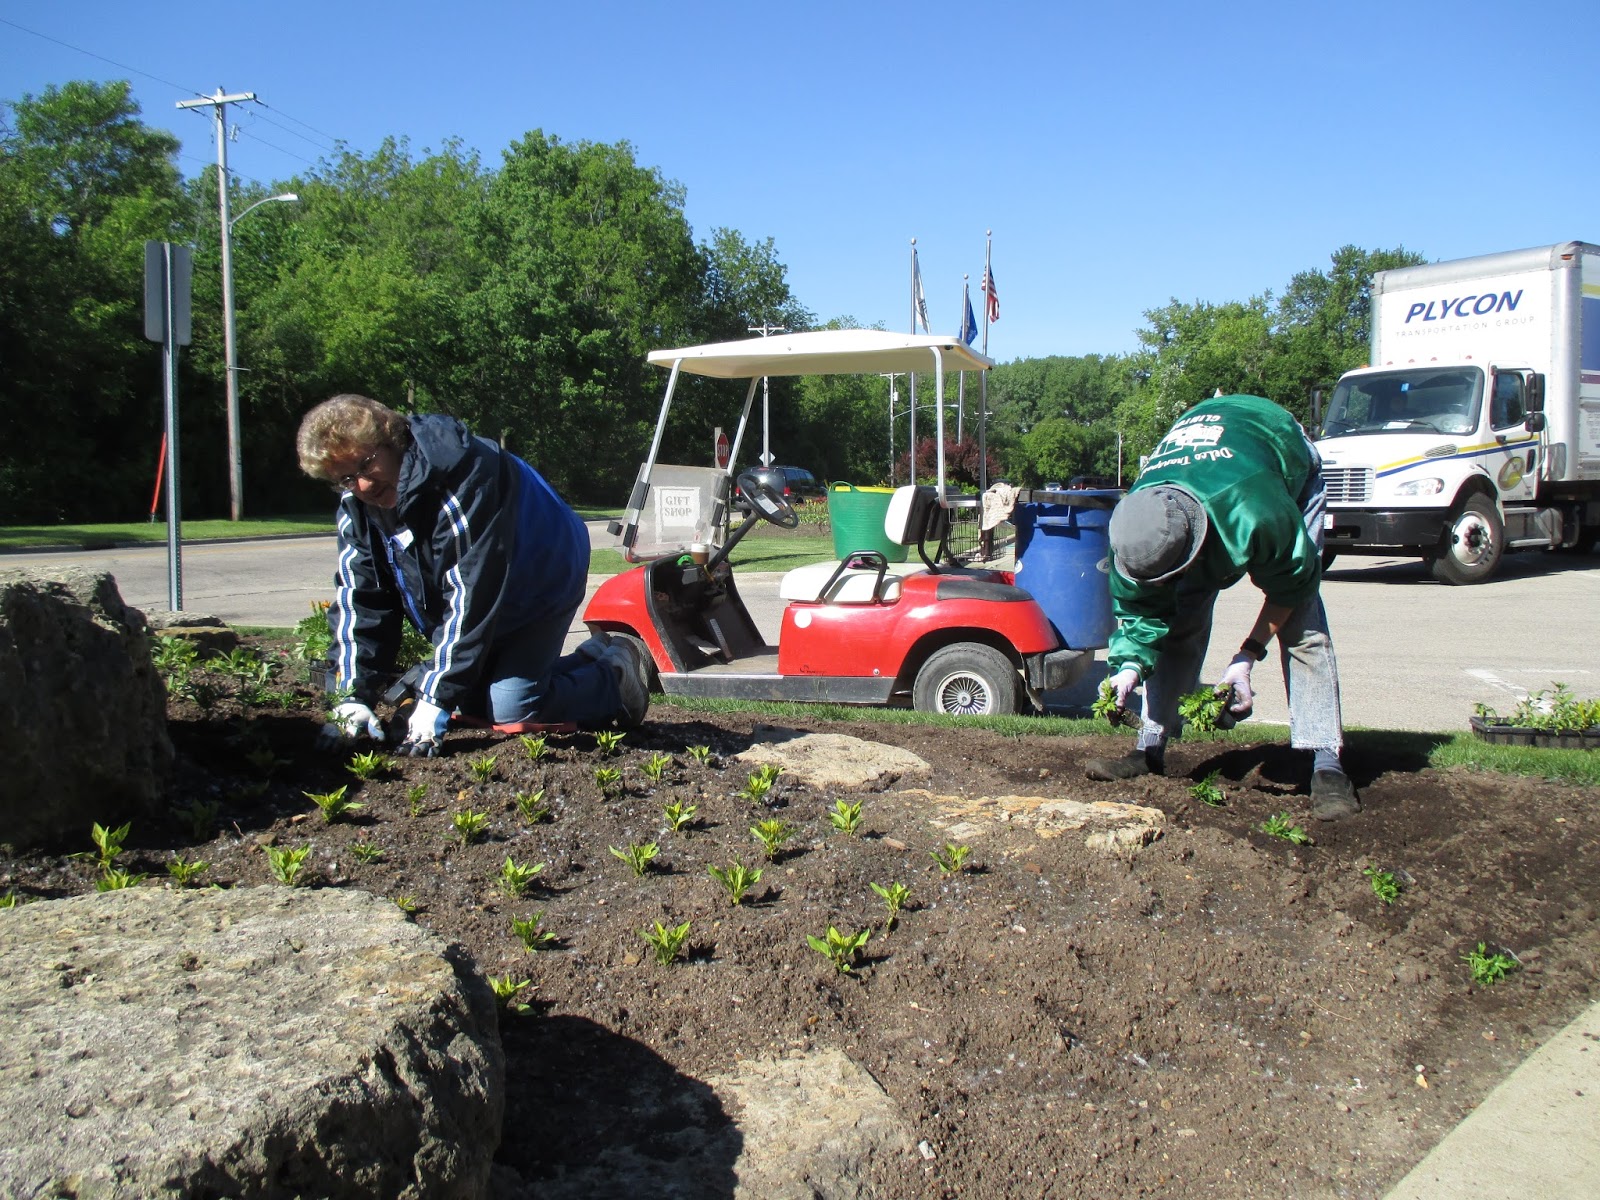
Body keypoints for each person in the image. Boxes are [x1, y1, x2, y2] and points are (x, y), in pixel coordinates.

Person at [296, 394, 648, 756]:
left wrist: (436, 698)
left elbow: (472, 590)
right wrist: (352, 695)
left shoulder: (461, 477)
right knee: (468, 697)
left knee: (512, 709)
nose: (363, 485)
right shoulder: (358, 509)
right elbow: (362, 600)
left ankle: (616, 678)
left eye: (366, 464)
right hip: (488, 589)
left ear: (392, 440)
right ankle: (593, 656)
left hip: (542, 576)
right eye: (346, 478)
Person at [1084, 393, 1359, 821]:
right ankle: (1149, 750)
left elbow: (1290, 587)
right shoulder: (1133, 529)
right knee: (1180, 619)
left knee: (1302, 626)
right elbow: (1143, 616)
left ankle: (1325, 760)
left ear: (1195, 543)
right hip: (1202, 476)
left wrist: (1246, 657)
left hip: (1276, 454)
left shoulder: (1256, 510)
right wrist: (1128, 670)